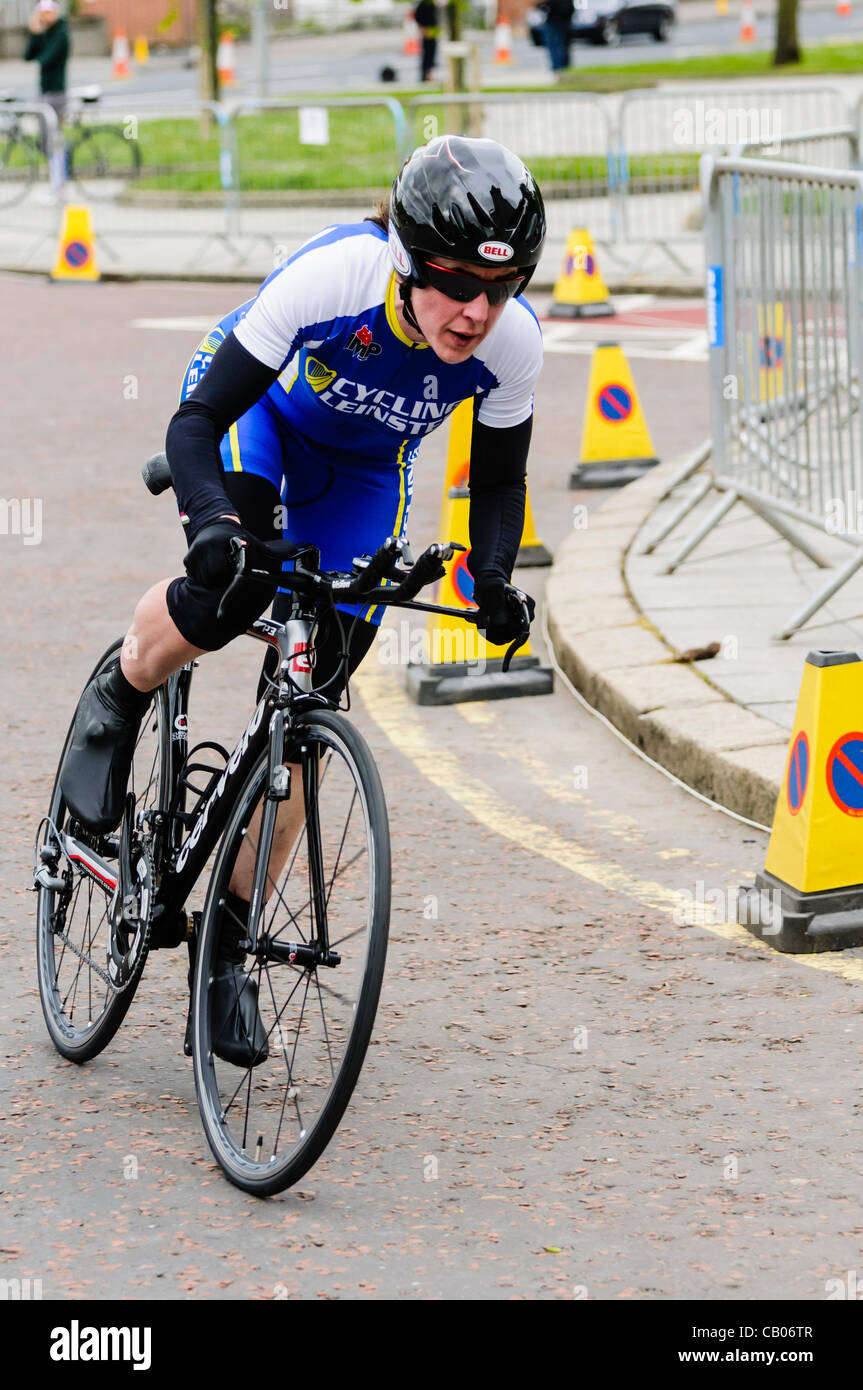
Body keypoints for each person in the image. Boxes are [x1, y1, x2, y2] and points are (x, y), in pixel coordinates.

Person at [59, 135, 546, 1065]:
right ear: (408, 261)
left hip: (362, 477)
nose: (476, 312)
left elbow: (497, 483)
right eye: (453, 282)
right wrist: (211, 521)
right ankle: (118, 696)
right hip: (260, 423)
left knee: (313, 697)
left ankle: (227, 946)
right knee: (227, 594)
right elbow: (198, 419)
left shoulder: (511, 342)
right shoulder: (335, 279)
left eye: (502, 286)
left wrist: (492, 579)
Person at [24, 0, 70, 131]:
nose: (45, 16)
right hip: (44, 89)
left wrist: (40, 38)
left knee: (52, 134)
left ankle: (58, 152)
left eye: (48, 13)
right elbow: (28, 56)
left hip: (56, 91)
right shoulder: (45, 33)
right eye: (42, 13)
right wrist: (34, 32)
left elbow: (47, 59)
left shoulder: (61, 33)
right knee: (45, 135)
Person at [540, 0, 573, 71]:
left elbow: (547, 6)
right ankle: (564, 66)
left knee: (555, 46)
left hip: (554, 22)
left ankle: (558, 66)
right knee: (562, 45)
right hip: (565, 22)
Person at [413, 0, 440, 83]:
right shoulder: (424, 3)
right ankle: (425, 76)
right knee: (427, 55)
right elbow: (417, 16)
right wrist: (422, 28)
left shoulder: (432, 3)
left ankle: (429, 75)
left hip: (433, 32)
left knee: (431, 54)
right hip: (427, 32)